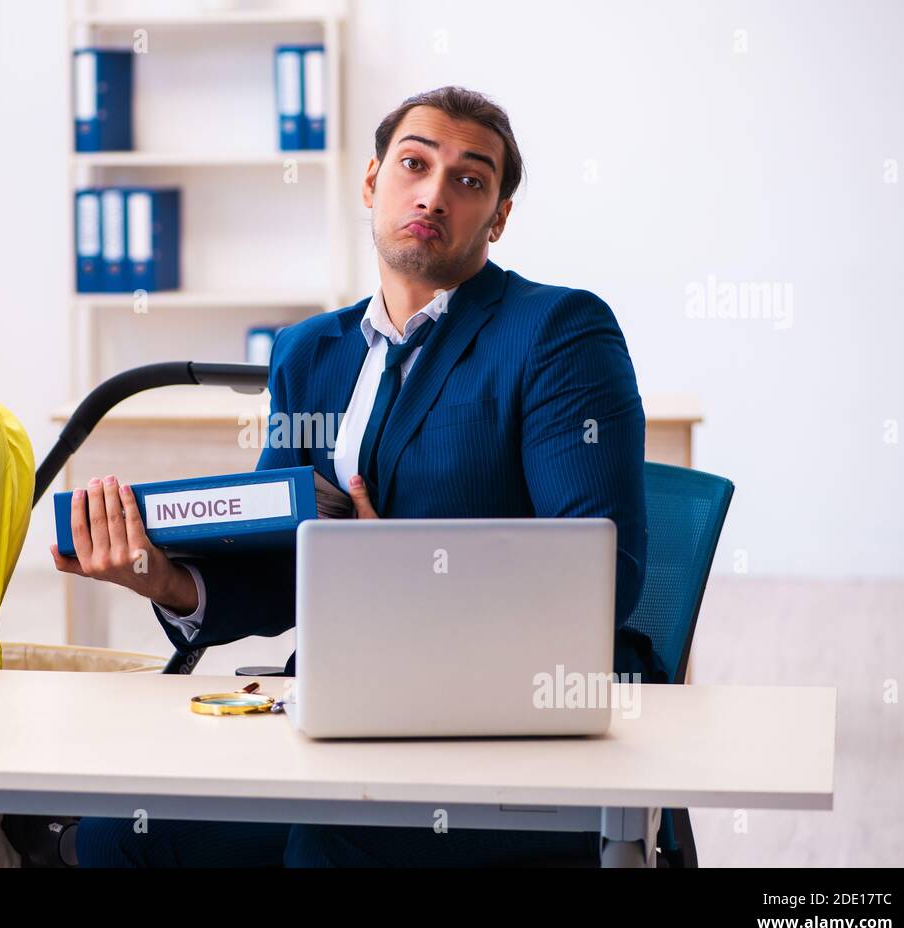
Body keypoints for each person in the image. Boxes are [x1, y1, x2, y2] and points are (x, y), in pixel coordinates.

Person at [53, 86, 656, 867]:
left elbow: (603, 577)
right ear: (373, 182)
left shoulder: (557, 332)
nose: (434, 193)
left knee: (321, 848)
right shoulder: (309, 351)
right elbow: (279, 564)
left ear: (497, 218)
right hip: (344, 715)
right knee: (117, 838)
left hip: (502, 732)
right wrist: (160, 577)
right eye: (415, 164)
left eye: (471, 180)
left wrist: (397, 572)